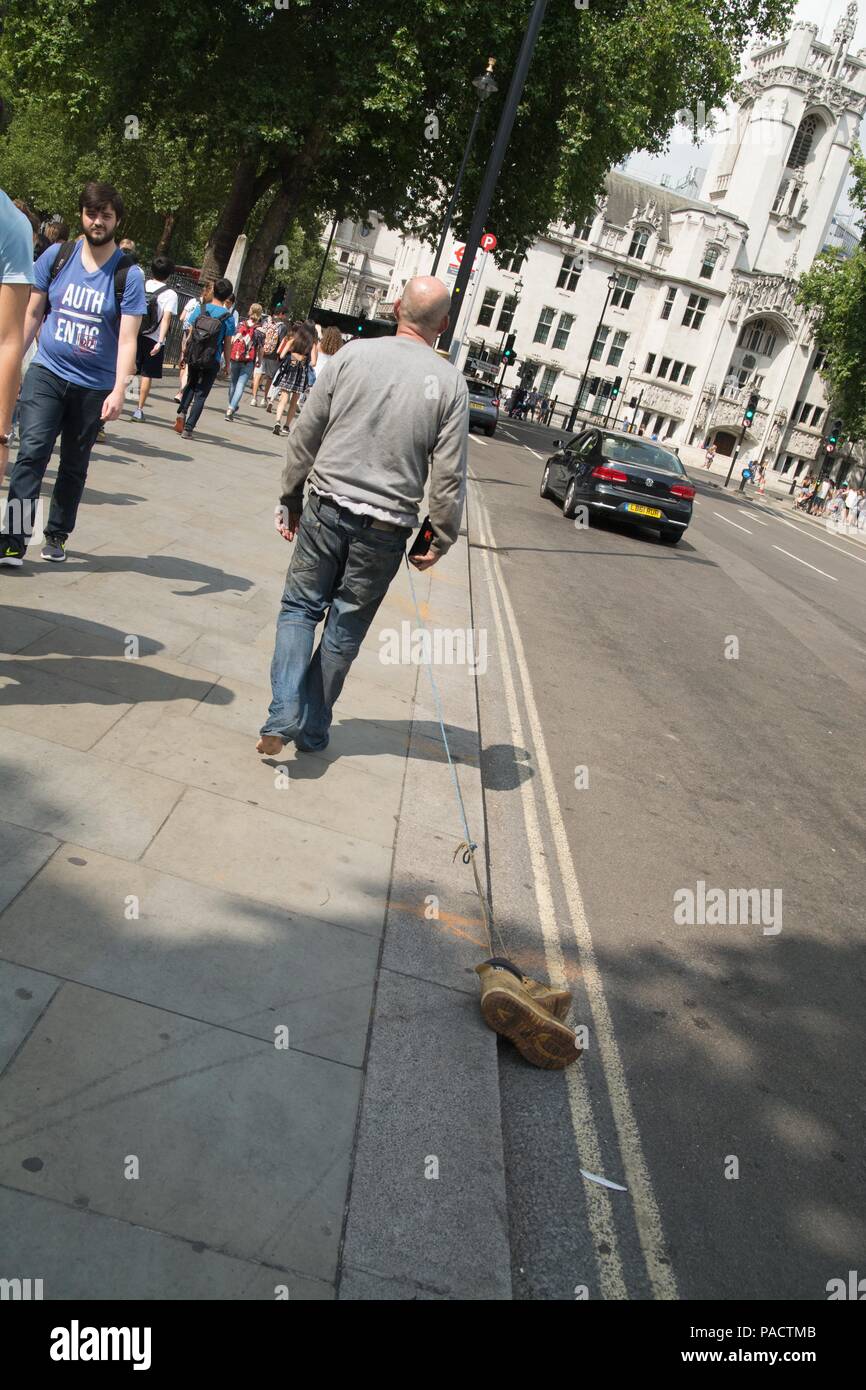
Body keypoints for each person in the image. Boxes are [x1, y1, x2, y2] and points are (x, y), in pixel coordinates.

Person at [256, 275, 469, 757]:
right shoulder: (450, 384)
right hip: (387, 528)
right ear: (444, 324)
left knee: (299, 609)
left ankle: (284, 710)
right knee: (343, 631)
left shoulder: (352, 355)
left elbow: (305, 432)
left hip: (325, 509)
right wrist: (438, 536)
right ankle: (310, 730)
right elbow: (449, 475)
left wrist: (289, 495)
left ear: (396, 308)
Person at [0, 181, 145, 566]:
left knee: (74, 465)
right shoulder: (56, 256)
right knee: (31, 453)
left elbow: (128, 340)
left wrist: (119, 390)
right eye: (92, 213)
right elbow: (31, 314)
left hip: (93, 387)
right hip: (46, 371)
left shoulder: (129, 275)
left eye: (106, 216)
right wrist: (15, 364)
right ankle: (13, 539)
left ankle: (57, 534)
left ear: (117, 220)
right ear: (82, 214)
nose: (97, 222)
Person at [0, 188, 35, 489]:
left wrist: (2, 435)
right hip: (42, 366)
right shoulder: (55, 259)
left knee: (38, 453)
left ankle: (28, 532)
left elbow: (9, 338)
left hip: (40, 364)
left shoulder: (124, 275)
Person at [175, 276, 233, 439]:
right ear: (228, 296)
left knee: (191, 384)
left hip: (195, 355)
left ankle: (182, 411)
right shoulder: (227, 318)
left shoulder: (200, 309)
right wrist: (227, 363)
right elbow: (227, 344)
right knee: (201, 394)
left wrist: (185, 353)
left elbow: (191, 334)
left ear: (213, 291)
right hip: (212, 358)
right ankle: (188, 428)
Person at [131, 254, 177, 422]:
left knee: (130, 370)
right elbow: (166, 319)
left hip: (135, 332)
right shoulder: (170, 294)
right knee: (146, 374)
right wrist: (160, 341)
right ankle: (138, 409)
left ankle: (125, 402)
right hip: (154, 337)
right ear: (169, 274)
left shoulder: (142, 284)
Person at [270, 323, 314, 437]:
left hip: (290, 370)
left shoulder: (293, 340)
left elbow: (282, 355)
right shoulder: (311, 345)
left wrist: (292, 354)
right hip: (301, 373)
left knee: (283, 398)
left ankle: (277, 421)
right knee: (294, 402)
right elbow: (313, 363)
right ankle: (286, 426)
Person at [174, 281, 213, 402]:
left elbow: (182, 317)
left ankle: (180, 391)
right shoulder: (212, 308)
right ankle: (184, 392)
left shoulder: (193, 302)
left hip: (188, 335)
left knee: (184, 362)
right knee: (193, 367)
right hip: (203, 339)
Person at [225, 302, 263, 420]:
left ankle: (231, 405)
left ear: (250, 311)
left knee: (233, 383)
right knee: (240, 385)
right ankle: (231, 408)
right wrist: (259, 360)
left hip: (235, 357)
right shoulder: (260, 330)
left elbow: (232, 339)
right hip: (248, 361)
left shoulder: (241, 324)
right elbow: (260, 348)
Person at [253, 308, 287, 407]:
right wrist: (280, 356)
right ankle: (264, 399)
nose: (285, 317)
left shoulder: (265, 322)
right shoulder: (282, 327)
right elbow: (281, 342)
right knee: (269, 377)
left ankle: (254, 398)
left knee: (258, 375)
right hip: (273, 356)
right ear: (281, 314)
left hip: (261, 352)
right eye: (284, 315)